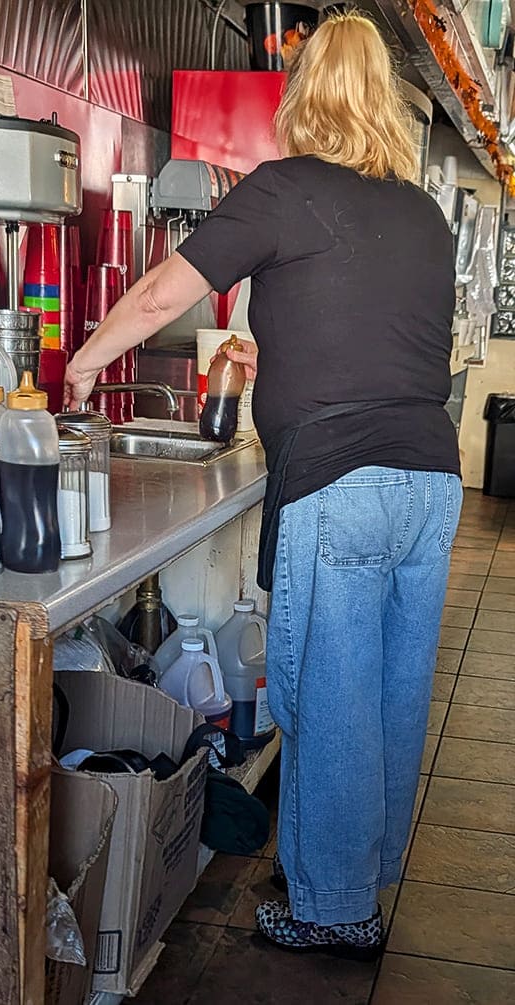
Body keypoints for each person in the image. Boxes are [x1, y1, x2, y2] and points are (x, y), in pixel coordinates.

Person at [64, 11, 461, 960]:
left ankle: (331, 909)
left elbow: (166, 292)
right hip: (428, 481)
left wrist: (85, 360)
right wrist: (277, 348)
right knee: (390, 699)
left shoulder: (286, 190)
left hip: (343, 482)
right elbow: (388, 340)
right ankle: (352, 872)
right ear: (388, 105)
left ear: (304, 95)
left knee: (327, 697)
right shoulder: (422, 212)